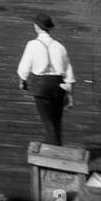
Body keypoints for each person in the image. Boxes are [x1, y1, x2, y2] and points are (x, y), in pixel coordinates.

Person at [16, 12, 75, 145]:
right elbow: (69, 73)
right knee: (56, 121)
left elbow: (23, 68)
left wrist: (22, 81)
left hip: (41, 86)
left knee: (48, 122)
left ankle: (53, 151)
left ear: (37, 27)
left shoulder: (32, 44)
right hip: (59, 86)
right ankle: (56, 145)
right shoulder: (60, 46)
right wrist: (70, 95)